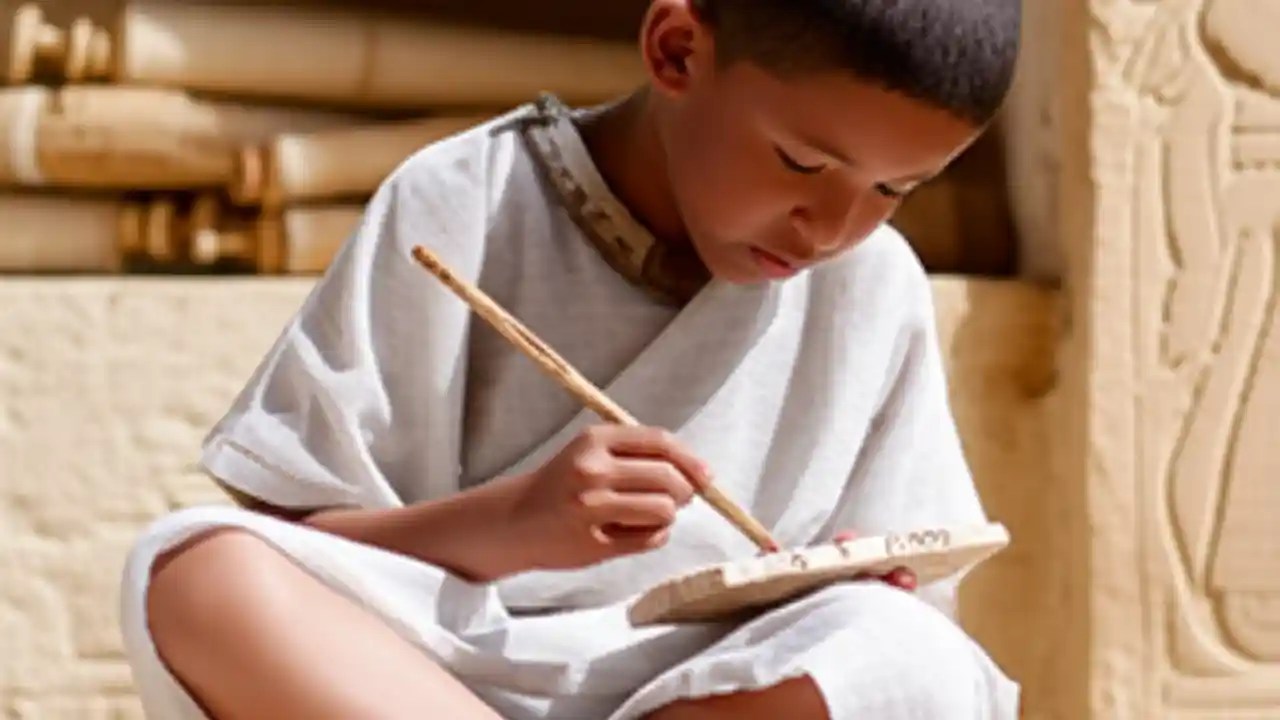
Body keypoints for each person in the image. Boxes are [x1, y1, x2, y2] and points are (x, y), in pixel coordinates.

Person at [120, 0, 1023, 717]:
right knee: (200, 568)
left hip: (707, 689)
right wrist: (514, 523)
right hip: (437, 680)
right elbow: (307, 553)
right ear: (677, 51)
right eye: (801, 163)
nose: (830, 229)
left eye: (893, 190)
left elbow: (890, 623)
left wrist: (853, 582)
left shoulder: (872, 283)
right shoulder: (466, 201)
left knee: (910, 655)